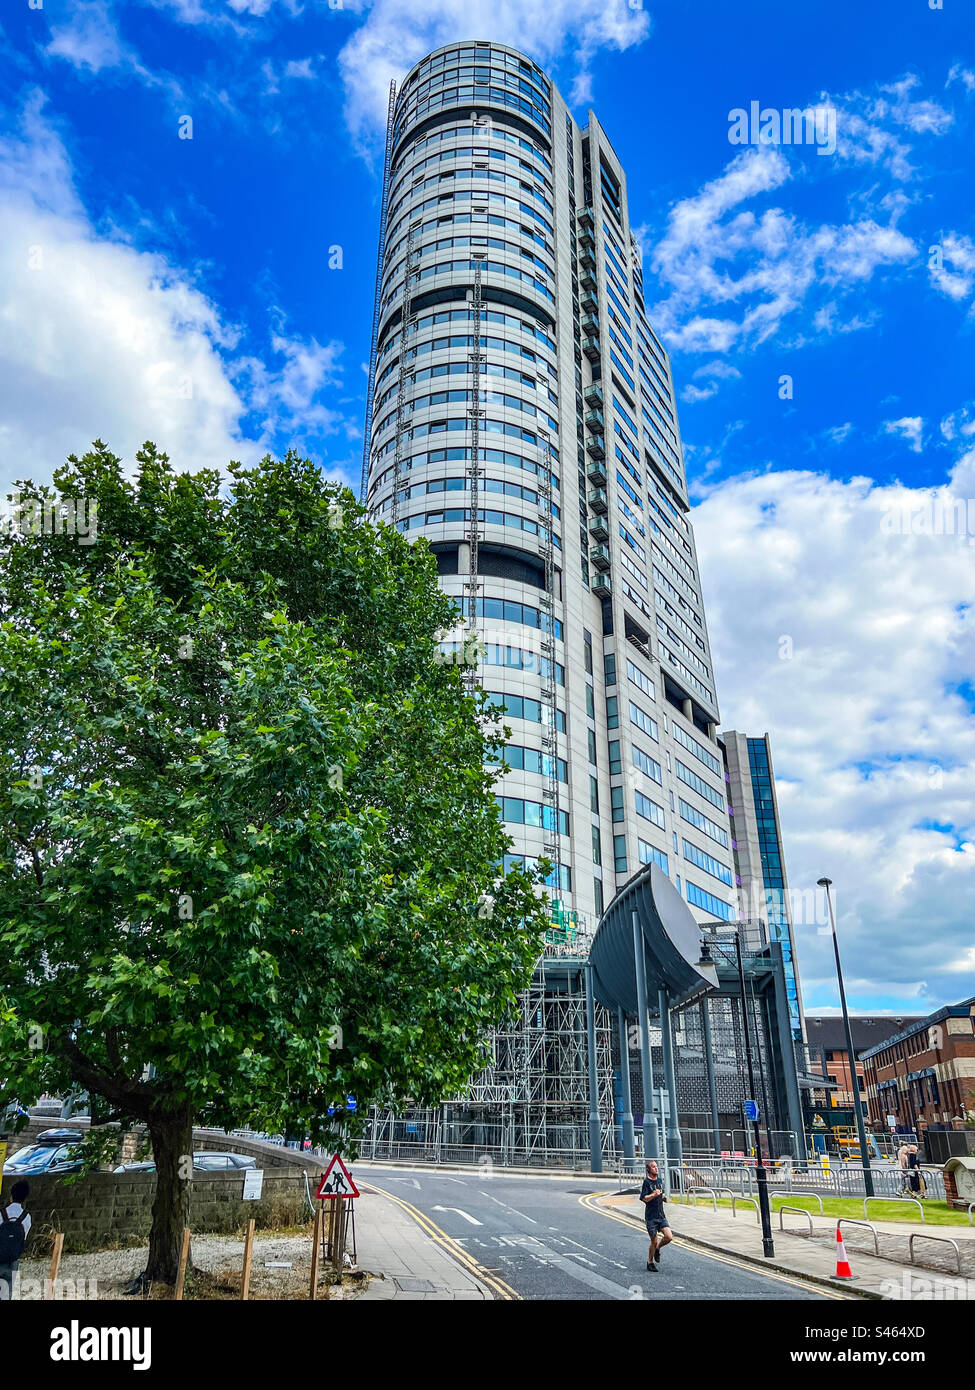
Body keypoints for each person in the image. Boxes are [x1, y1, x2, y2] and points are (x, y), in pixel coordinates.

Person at [0, 1180, 31, 1301]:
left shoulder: (2, 1214)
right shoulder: (26, 1217)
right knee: (7, 1292)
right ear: (25, 1198)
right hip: (12, 1260)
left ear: (11, 1195)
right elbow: (23, 1238)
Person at [639, 1160, 672, 1272]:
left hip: (661, 1215)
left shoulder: (659, 1181)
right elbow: (644, 1198)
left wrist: (662, 1198)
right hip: (651, 1217)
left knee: (669, 1237)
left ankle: (657, 1249)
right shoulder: (646, 1182)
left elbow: (659, 1194)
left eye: (656, 1167)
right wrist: (653, 1194)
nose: (656, 1168)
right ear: (649, 1170)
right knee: (654, 1241)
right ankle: (650, 1262)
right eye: (653, 1167)